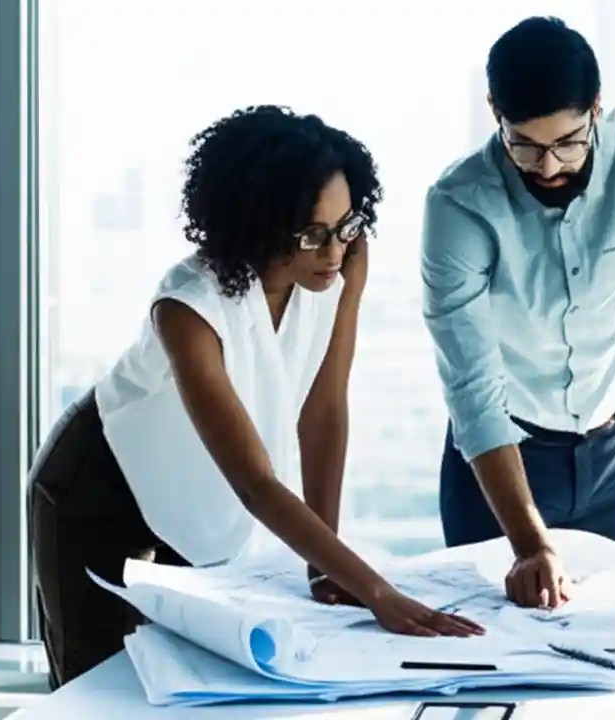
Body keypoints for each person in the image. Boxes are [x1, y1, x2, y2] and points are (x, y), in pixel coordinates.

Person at [28, 105, 481, 690]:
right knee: (99, 692)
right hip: (96, 490)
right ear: (258, 225)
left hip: (199, 492)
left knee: (199, 685)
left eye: (344, 226)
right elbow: (256, 483)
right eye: (312, 234)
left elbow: (323, 411)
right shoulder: (188, 307)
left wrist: (325, 565)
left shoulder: (341, 263)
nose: (335, 251)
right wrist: (377, 592)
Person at [420, 16, 615, 611]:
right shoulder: (458, 205)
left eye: (568, 142)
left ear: (597, 109)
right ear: (495, 113)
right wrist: (531, 544)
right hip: (504, 464)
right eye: (525, 145)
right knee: (497, 660)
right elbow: (473, 393)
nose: (550, 166)